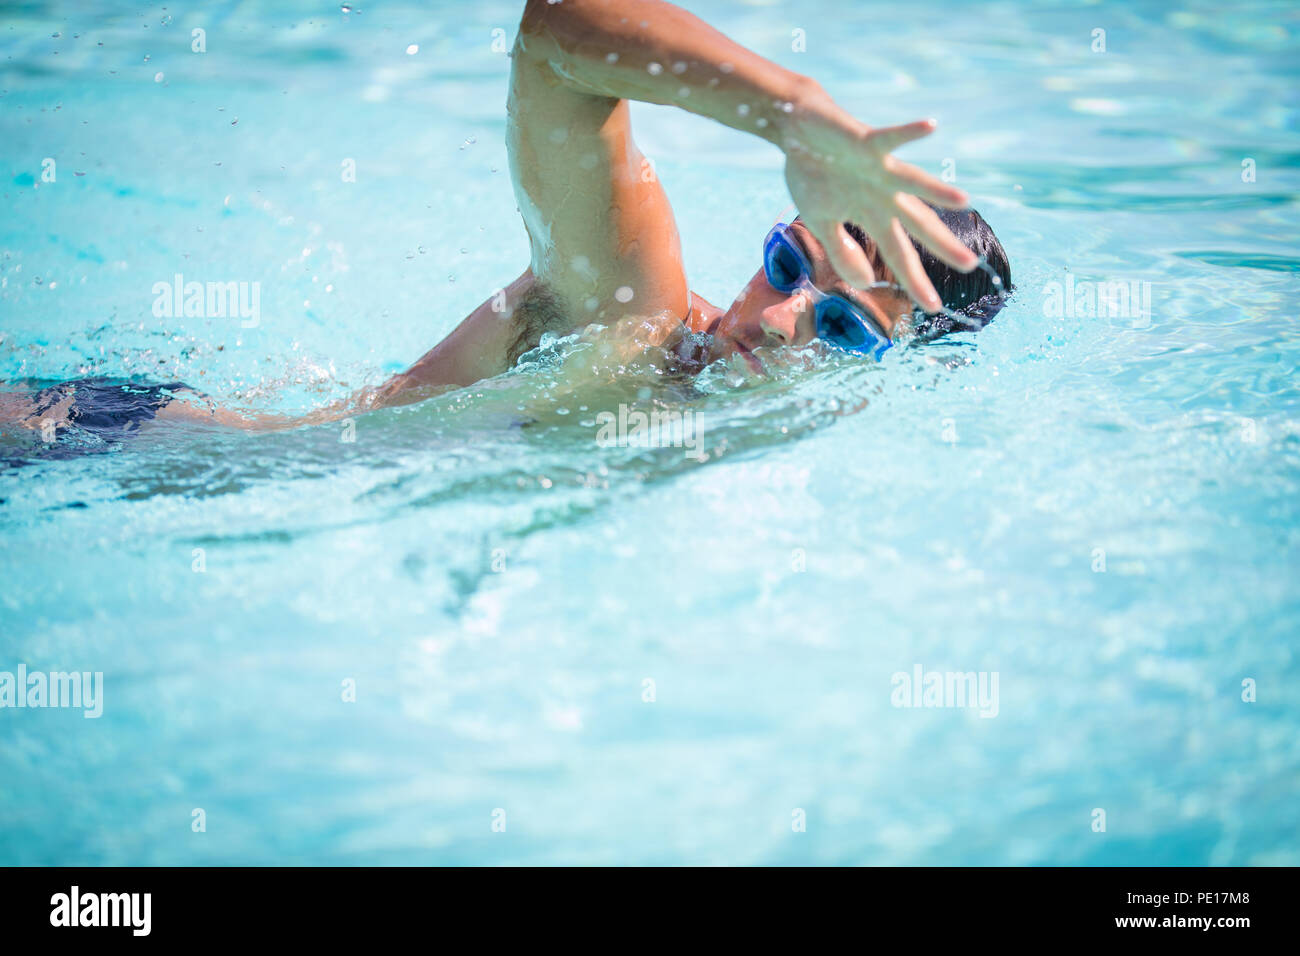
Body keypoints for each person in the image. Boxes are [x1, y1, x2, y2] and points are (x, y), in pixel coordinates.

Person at [2, 0, 1010, 438]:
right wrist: (785, 108)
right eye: (790, 264)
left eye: (838, 326)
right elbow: (556, 37)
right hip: (92, 449)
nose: (779, 318)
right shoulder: (642, 319)